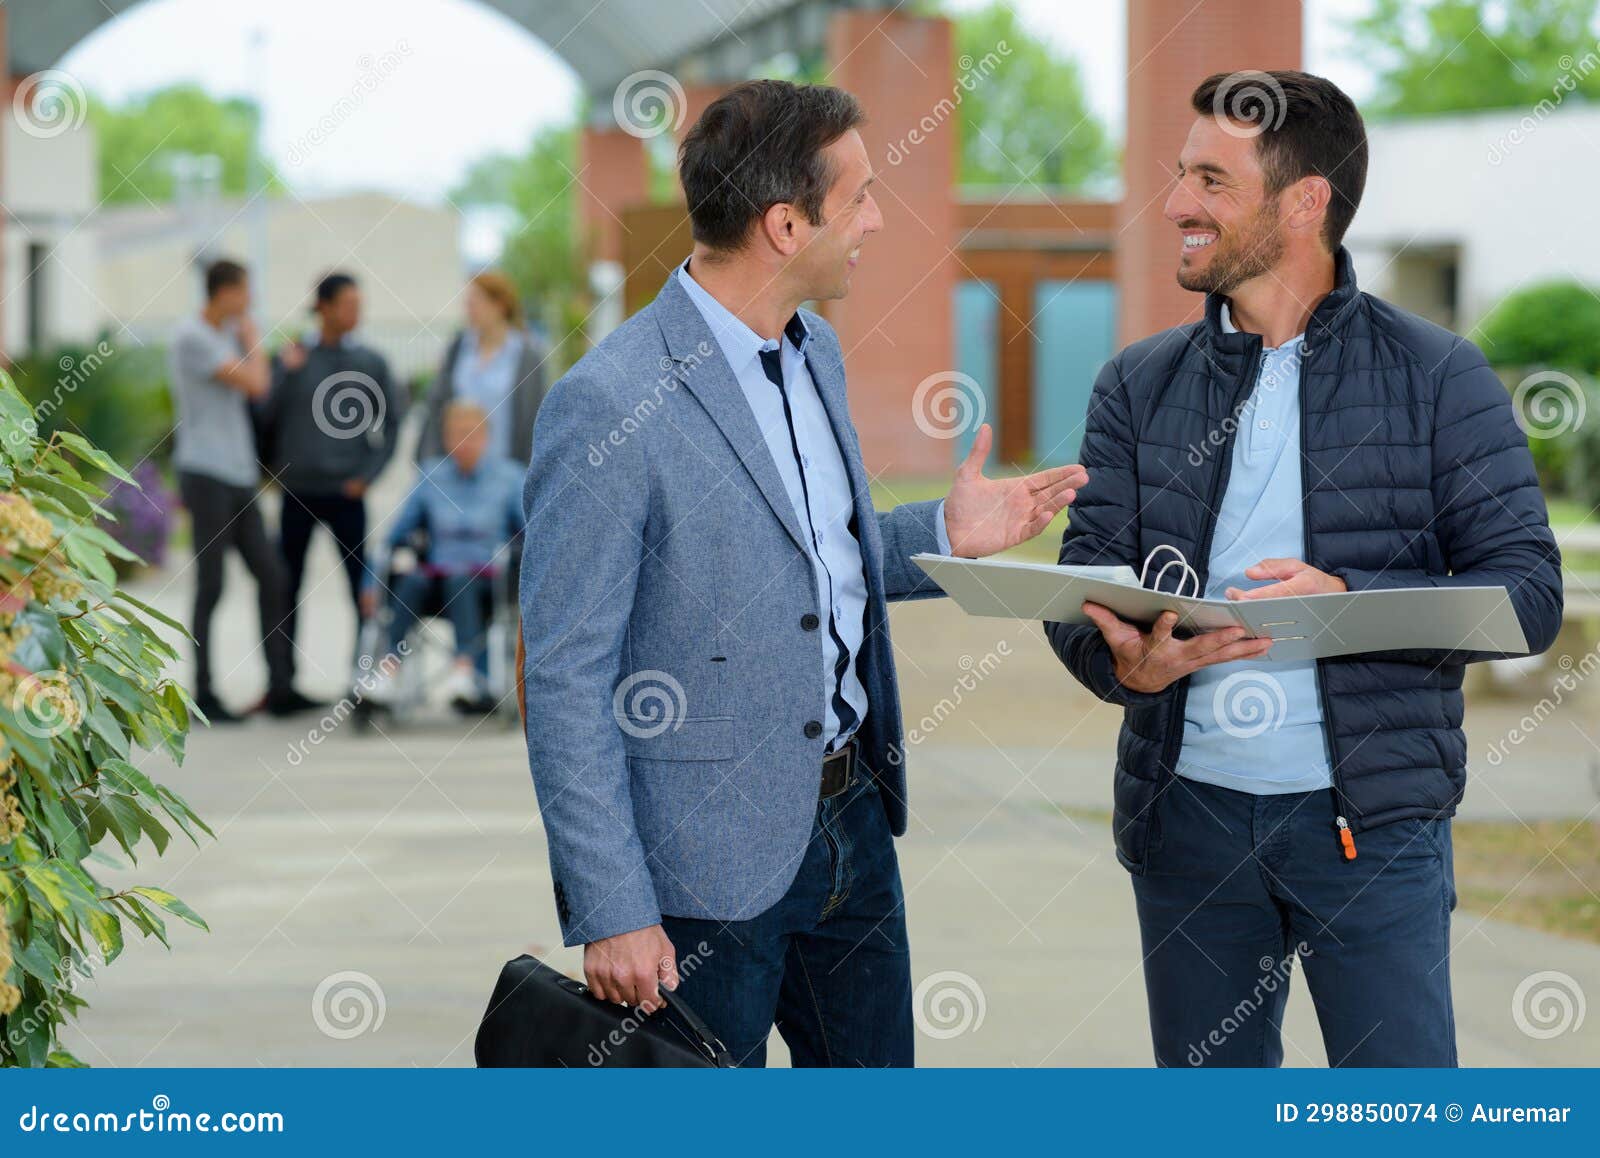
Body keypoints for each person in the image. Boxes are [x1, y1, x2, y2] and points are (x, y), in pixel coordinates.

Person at [520, 79, 1088, 1067]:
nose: (876, 220)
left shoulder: (813, 349)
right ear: (787, 224)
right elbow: (563, 678)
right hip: (698, 876)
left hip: (852, 824)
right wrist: (611, 909)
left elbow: (812, 558)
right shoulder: (605, 403)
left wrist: (944, 532)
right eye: (861, 196)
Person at [1047, 70, 1562, 1067]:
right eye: (1181, 174)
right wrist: (1123, 664)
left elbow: (1527, 600)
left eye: (1210, 180)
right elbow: (1082, 588)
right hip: (1185, 824)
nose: (1176, 205)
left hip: (1368, 831)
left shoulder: (1436, 375)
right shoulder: (1136, 384)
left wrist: (1350, 602)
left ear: (1304, 201)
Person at [167, 259, 321, 723]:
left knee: (272, 575)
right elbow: (256, 384)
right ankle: (204, 695)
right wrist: (254, 340)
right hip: (205, 472)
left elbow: (261, 384)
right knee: (211, 584)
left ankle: (279, 687)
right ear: (225, 293)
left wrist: (265, 355)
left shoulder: (224, 338)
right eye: (245, 292)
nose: (250, 301)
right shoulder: (192, 338)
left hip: (238, 474)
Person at [261, 272, 403, 687]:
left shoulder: (371, 362)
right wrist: (284, 373)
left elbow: (392, 423)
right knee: (284, 588)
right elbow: (264, 417)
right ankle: (282, 684)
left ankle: (363, 679)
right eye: (347, 304)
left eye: (360, 305)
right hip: (298, 492)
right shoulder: (291, 359)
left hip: (347, 493)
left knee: (362, 589)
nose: (356, 313)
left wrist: (368, 475)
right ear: (322, 307)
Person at [362, 400, 523, 712]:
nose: (464, 442)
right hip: (436, 578)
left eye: (471, 434)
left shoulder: (509, 478)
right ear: (446, 438)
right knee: (413, 580)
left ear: (486, 437)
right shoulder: (431, 477)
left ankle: (465, 670)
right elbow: (392, 537)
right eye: (456, 434)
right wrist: (370, 582)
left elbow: (531, 533)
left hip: (487, 582)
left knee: (460, 581)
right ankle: (387, 670)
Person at [418, 270, 548, 465]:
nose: (468, 309)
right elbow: (438, 404)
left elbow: (535, 418)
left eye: (475, 302)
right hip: (458, 468)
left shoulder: (527, 357)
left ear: (500, 306)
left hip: (506, 471)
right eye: (467, 303)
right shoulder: (459, 347)